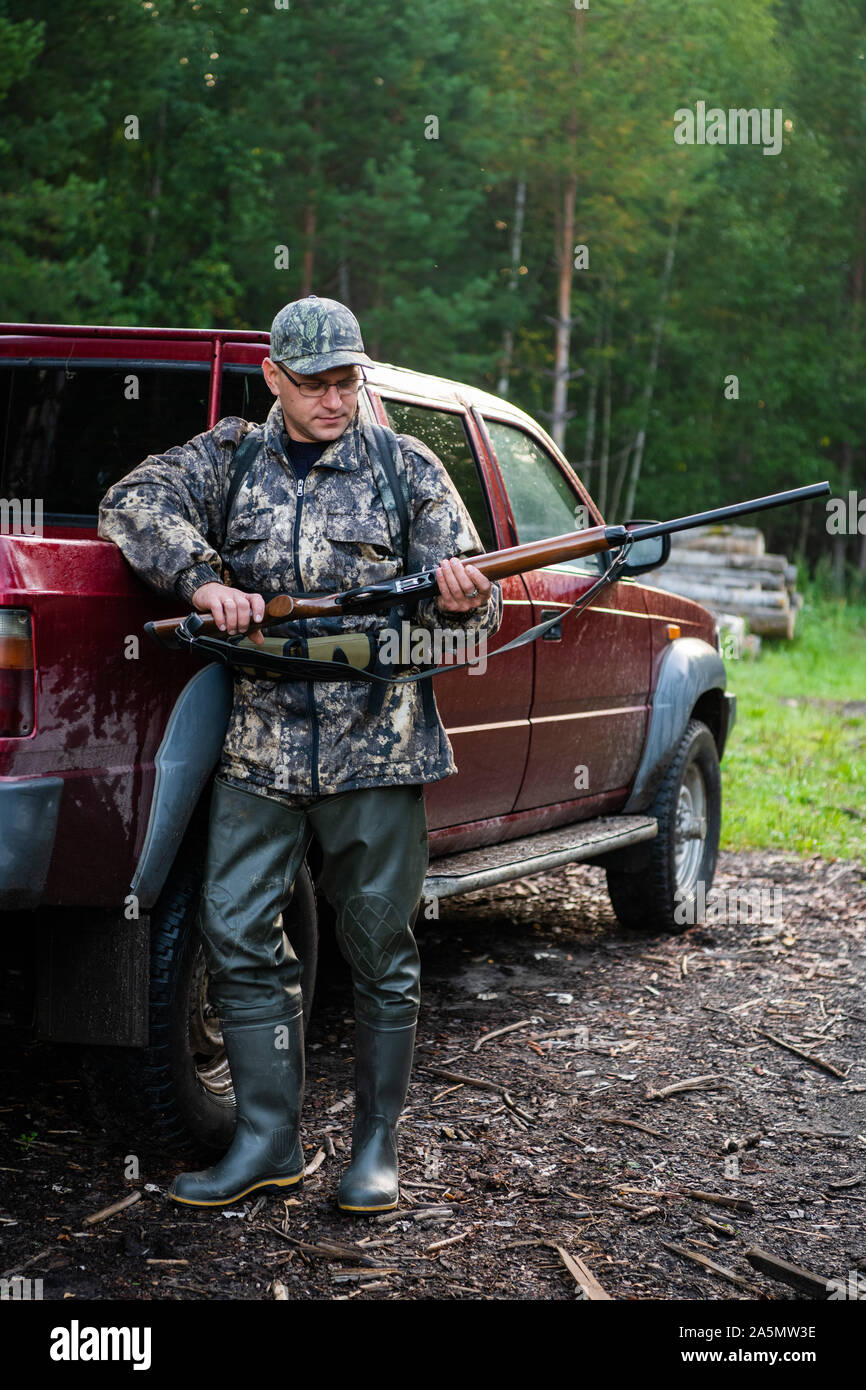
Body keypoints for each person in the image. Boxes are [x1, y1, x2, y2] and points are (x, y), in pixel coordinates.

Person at [97, 295, 503, 1213]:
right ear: (273, 377)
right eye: (314, 381)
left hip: (378, 749)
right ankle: (267, 1142)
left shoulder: (407, 469)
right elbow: (131, 503)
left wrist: (458, 595)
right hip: (261, 750)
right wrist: (204, 580)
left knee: (377, 947)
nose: (333, 398)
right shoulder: (230, 456)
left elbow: (484, 611)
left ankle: (375, 1151)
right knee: (238, 934)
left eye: (347, 379)